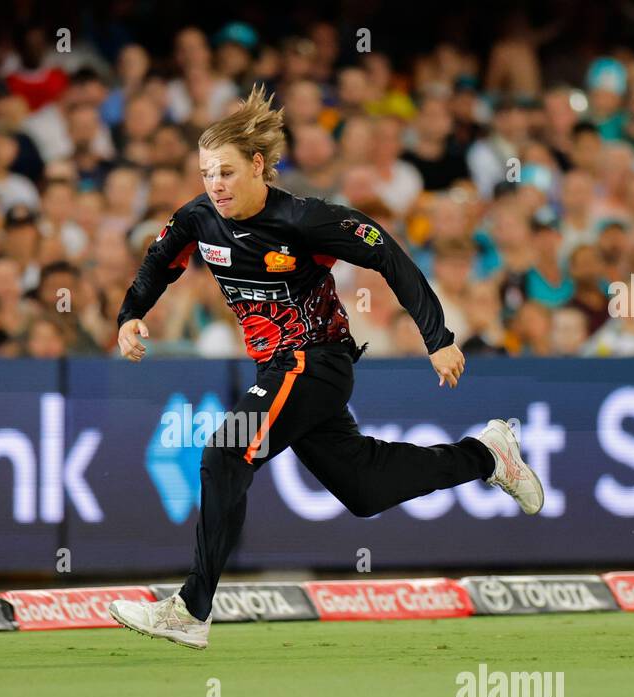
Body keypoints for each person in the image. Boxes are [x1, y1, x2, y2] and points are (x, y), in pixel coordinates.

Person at [106, 87, 544, 650]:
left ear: (258, 166)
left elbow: (385, 250)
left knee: (225, 452)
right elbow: (158, 261)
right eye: (207, 172)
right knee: (363, 488)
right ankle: (489, 455)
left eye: (227, 172)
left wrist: (437, 337)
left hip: (315, 360)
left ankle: (192, 608)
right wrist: (130, 316)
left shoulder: (303, 219)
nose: (215, 184)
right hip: (283, 371)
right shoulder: (198, 218)